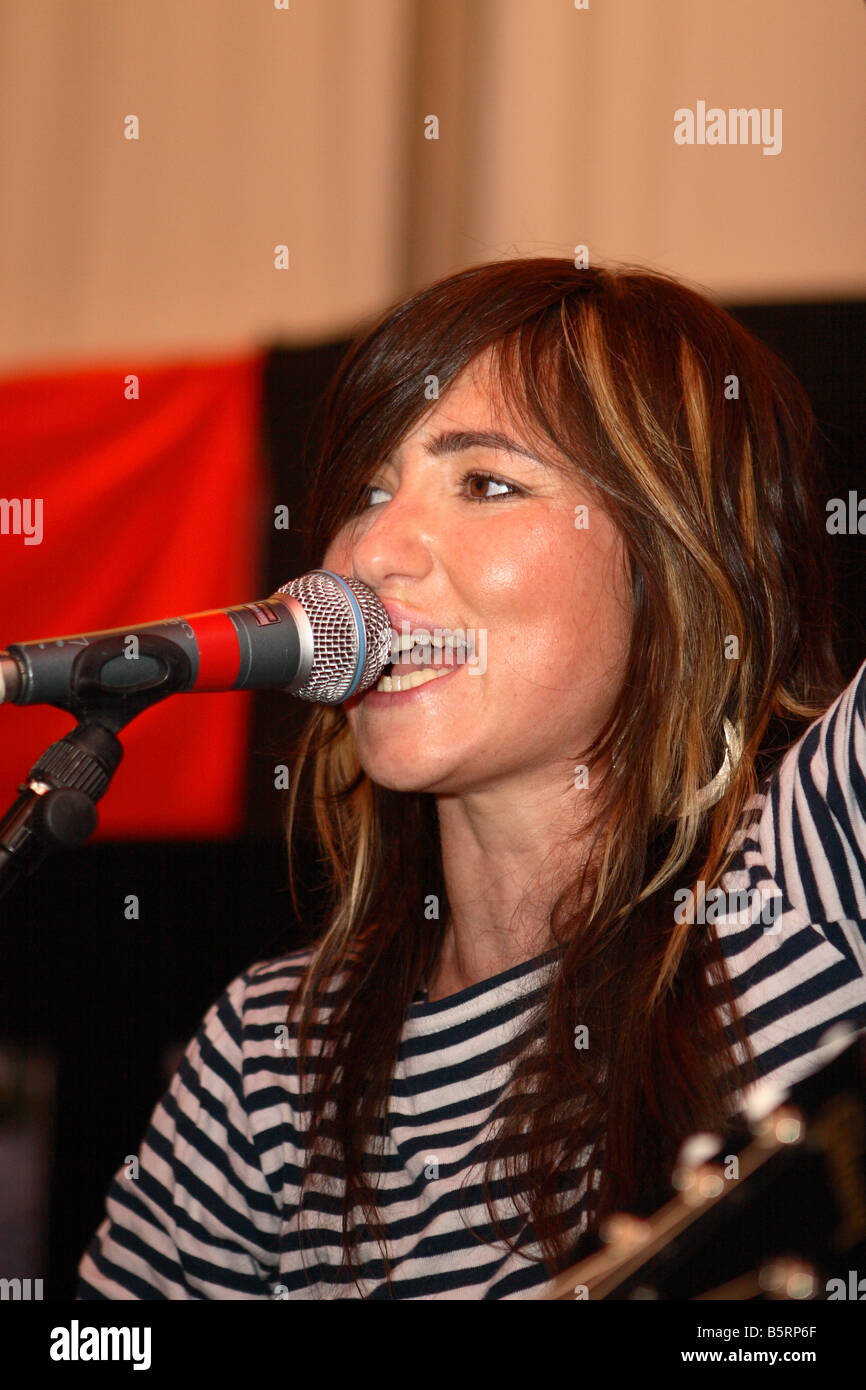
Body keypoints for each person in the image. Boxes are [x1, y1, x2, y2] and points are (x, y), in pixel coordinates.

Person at [77, 257, 866, 1300]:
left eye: (485, 482)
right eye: (365, 491)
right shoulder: (268, 1057)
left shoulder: (813, 872)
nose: (368, 552)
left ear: (672, 560)